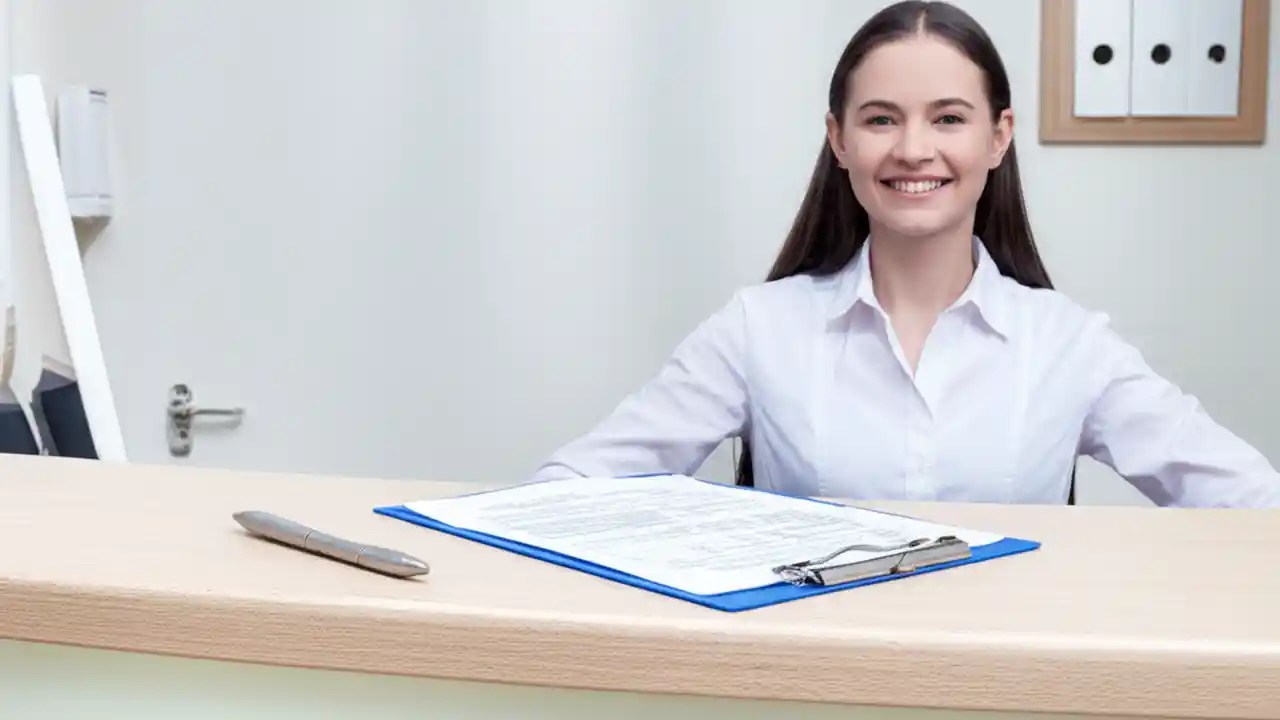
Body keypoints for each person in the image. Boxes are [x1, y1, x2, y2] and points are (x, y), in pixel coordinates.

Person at [530, 0, 1280, 508]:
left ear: (998, 136)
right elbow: (572, 486)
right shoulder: (760, 329)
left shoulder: (1070, 344)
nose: (914, 149)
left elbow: (1249, 502)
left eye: (948, 118)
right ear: (840, 140)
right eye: (882, 119)